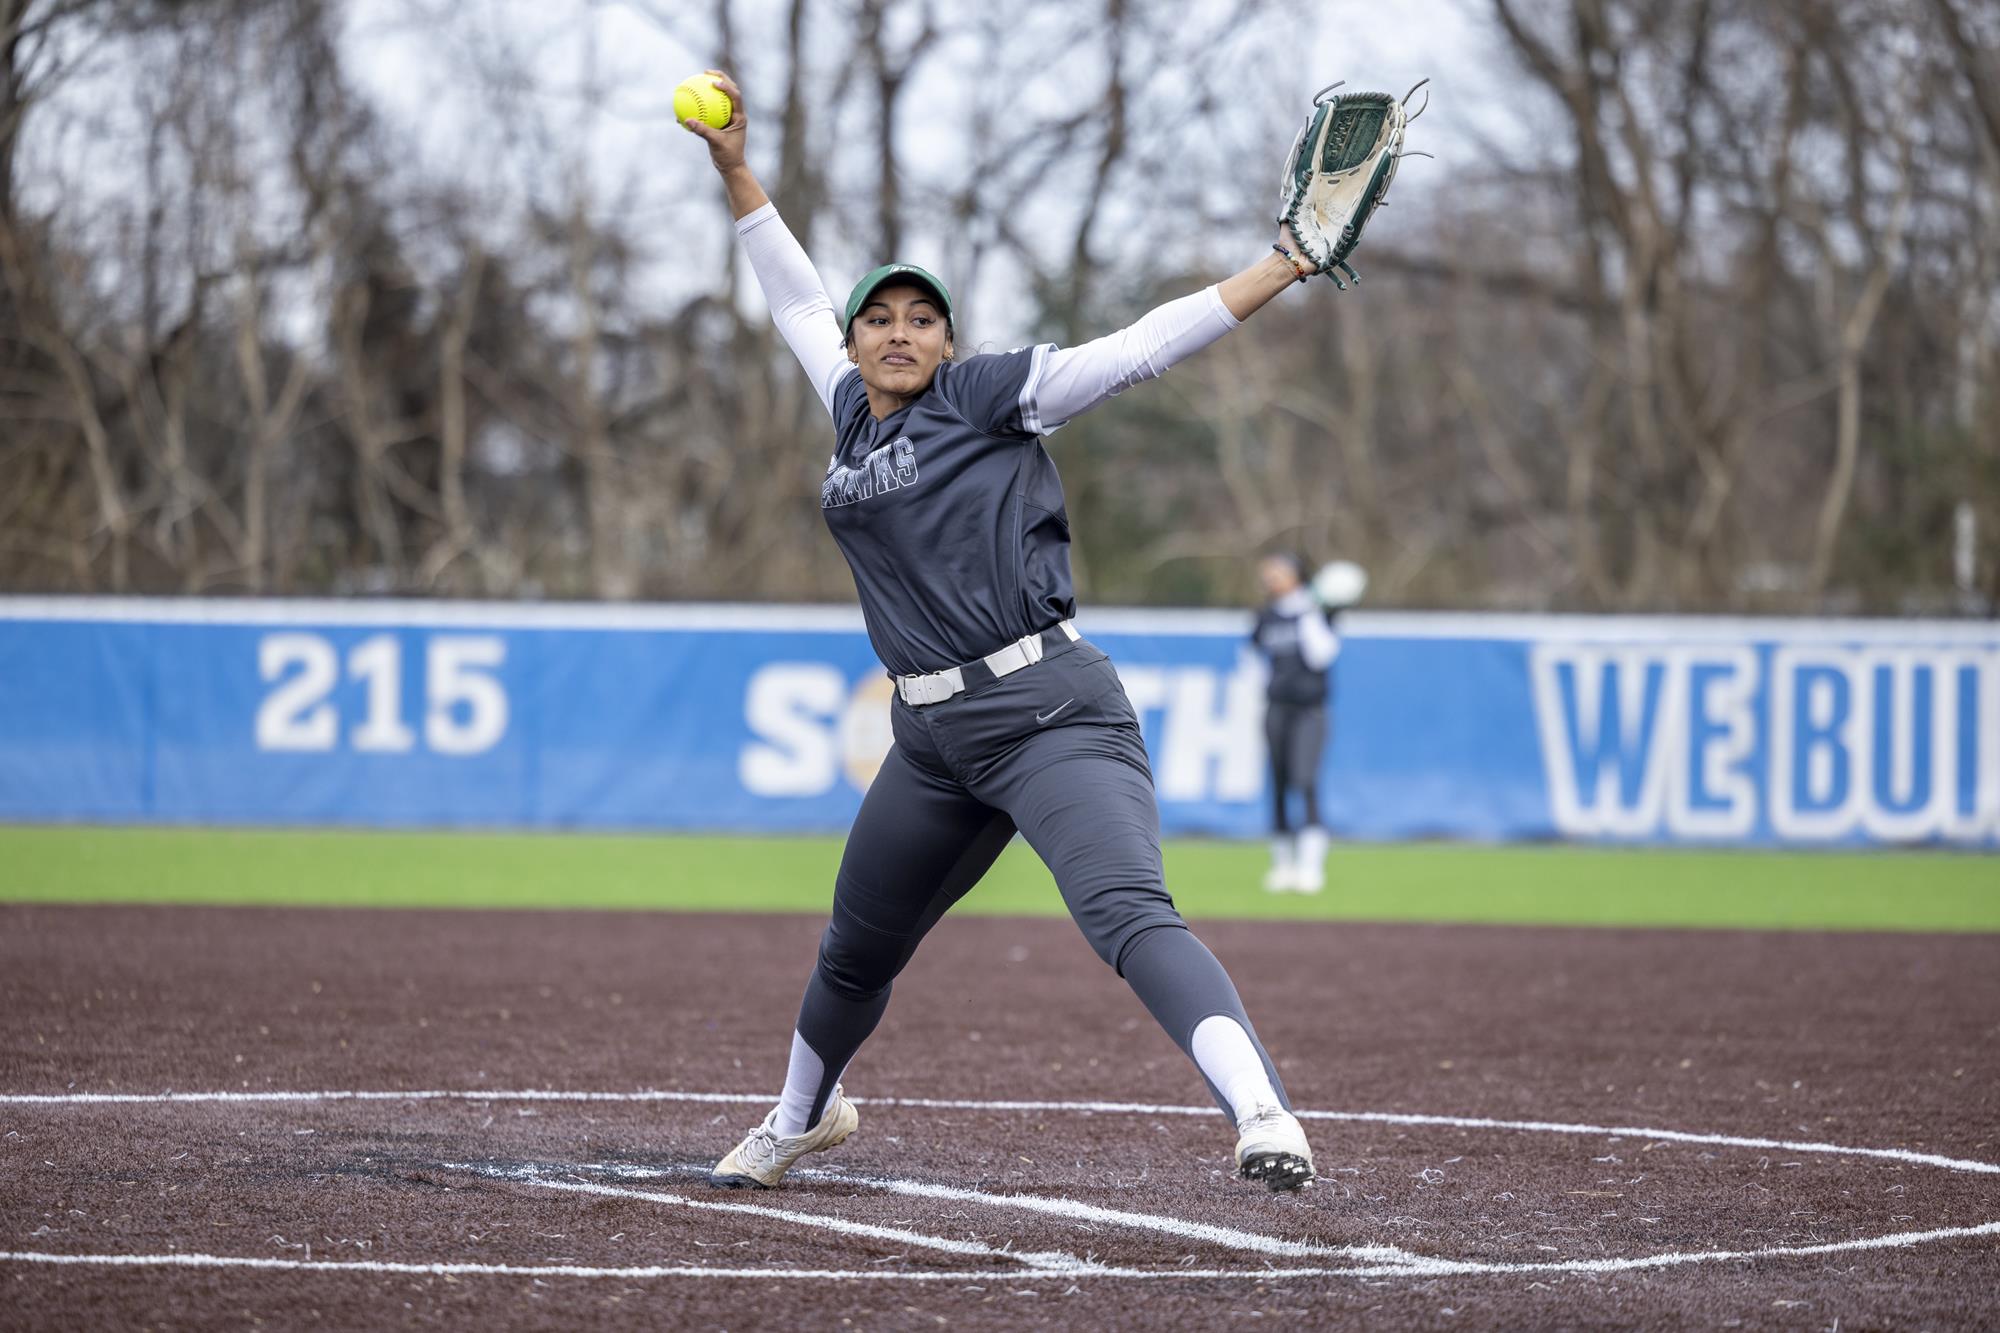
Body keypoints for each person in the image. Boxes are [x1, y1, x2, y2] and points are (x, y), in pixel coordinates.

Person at [683, 70, 1325, 1194]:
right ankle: (798, 1119)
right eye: (878, 318)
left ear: (946, 340)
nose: (898, 332)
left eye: (920, 318)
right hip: (931, 742)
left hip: (1049, 715)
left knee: (1126, 914)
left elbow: (1136, 350)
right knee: (854, 949)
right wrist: (736, 170)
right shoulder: (848, 412)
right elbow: (791, 298)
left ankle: (1264, 1114)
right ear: (855, 339)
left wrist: (1277, 266)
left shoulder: (986, 396)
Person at [1250, 554, 1341, 893]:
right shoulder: (1266, 616)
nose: (1271, 577)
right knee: (1278, 784)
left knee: (1305, 781)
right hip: (1277, 709)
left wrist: (1310, 614)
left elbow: (1322, 656)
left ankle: (1311, 866)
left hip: (1309, 711)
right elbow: (1253, 656)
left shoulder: (1316, 612)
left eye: (1279, 571)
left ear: (1298, 576)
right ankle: (1282, 866)